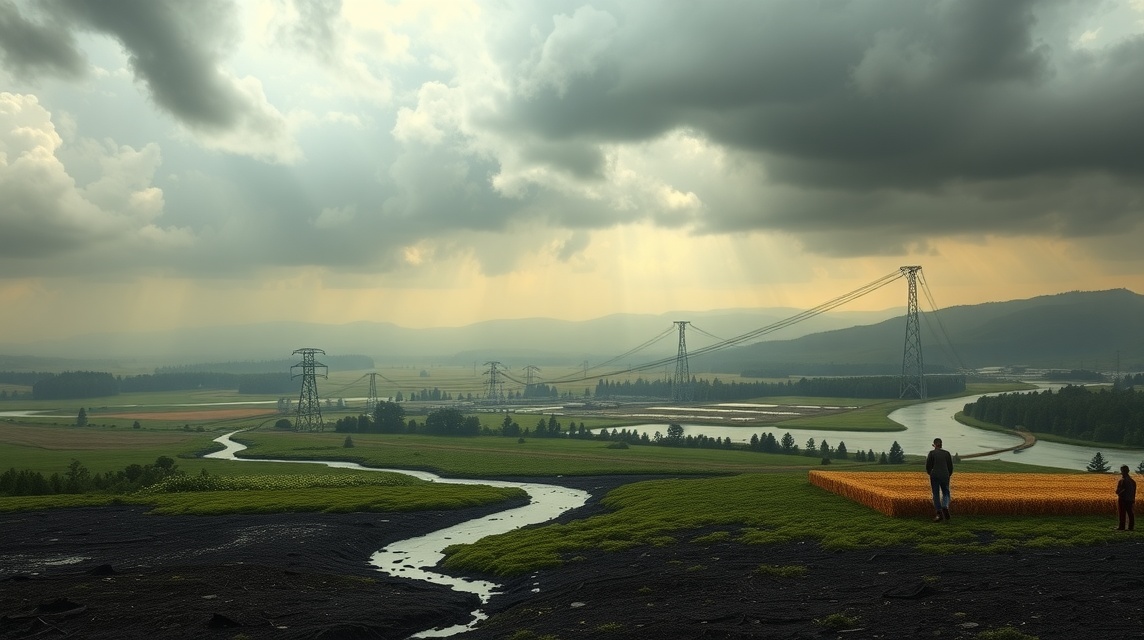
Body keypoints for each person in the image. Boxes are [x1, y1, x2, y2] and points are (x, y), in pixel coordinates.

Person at [925, 437, 954, 522]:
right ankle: (945, 506)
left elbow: (928, 466)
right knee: (946, 493)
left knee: (936, 495)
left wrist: (931, 473)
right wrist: (948, 474)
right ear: (941, 444)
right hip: (945, 475)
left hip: (935, 476)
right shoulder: (947, 453)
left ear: (934, 445)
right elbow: (950, 467)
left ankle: (939, 514)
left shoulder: (931, 453)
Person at [1116, 465, 1136, 531]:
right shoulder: (1133, 481)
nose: (1121, 473)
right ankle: (1131, 527)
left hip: (1123, 498)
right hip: (1130, 499)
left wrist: (1118, 492)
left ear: (1123, 471)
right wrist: (1133, 499)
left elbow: (1120, 490)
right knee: (1130, 513)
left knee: (1122, 513)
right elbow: (1134, 492)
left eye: (1122, 471)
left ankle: (1122, 527)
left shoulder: (1123, 480)